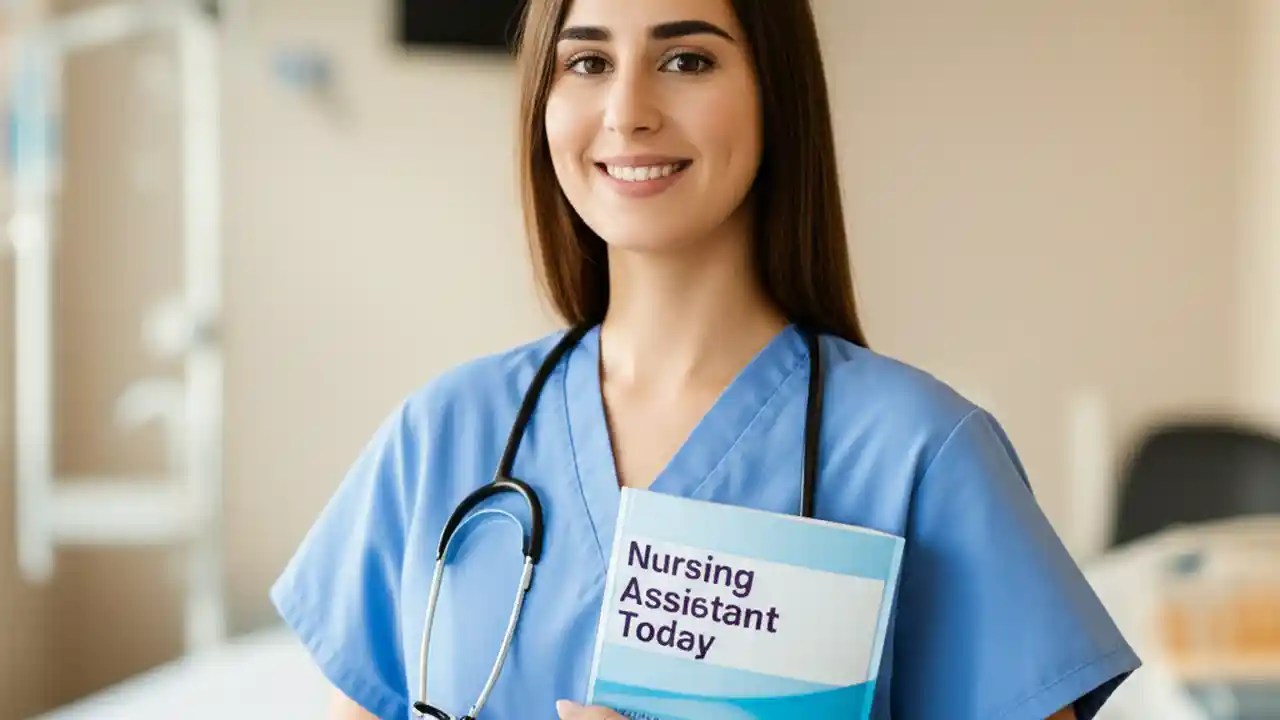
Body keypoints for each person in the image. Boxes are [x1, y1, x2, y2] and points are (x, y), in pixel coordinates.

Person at [270, 0, 1142, 718]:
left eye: (686, 60)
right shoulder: (443, 438)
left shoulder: (920, 455)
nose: (628, 110)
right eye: (586, 62)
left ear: (776, 93)